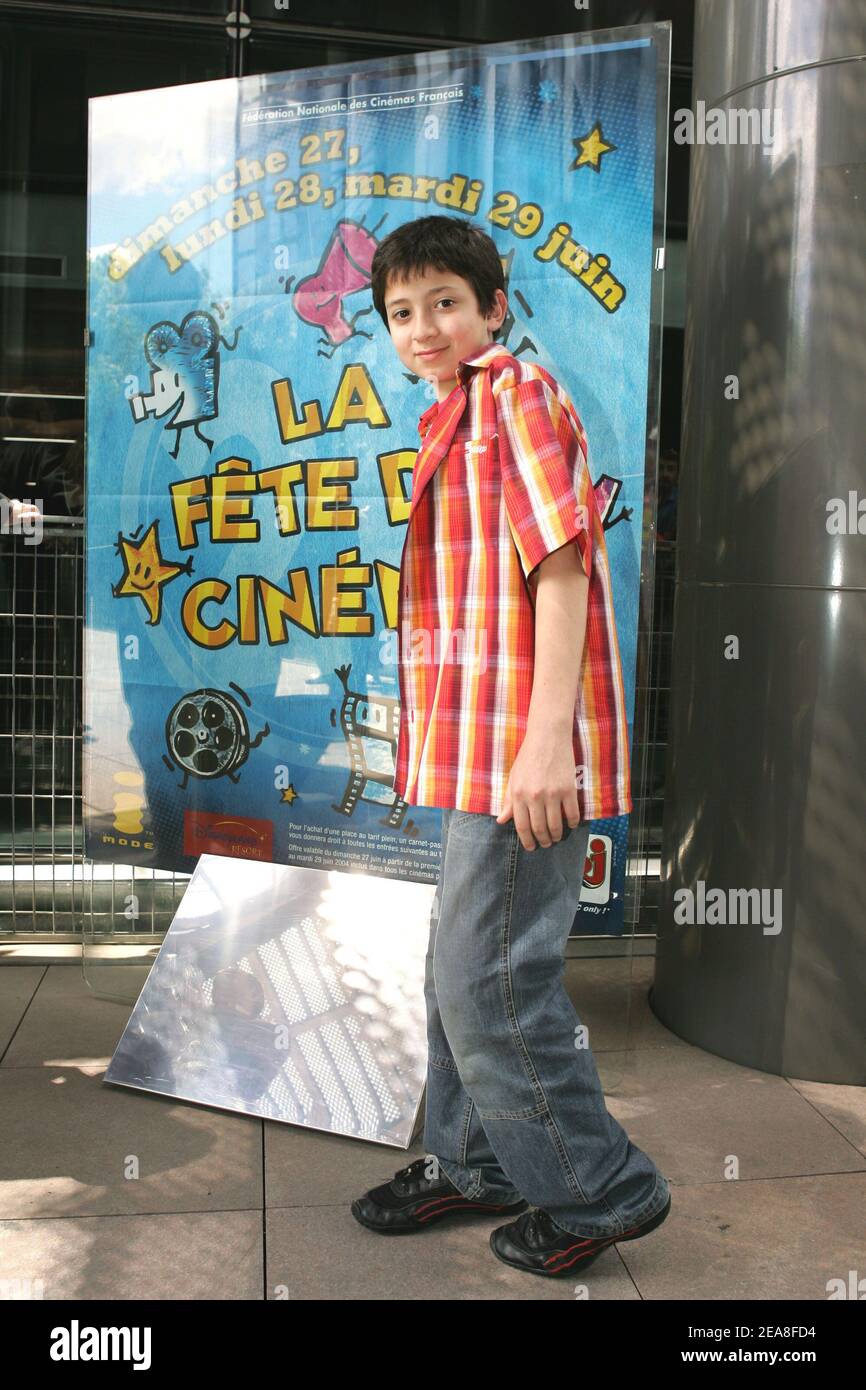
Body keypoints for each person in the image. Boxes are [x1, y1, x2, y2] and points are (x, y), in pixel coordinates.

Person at [351, 215, 670, 1278]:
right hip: (475, 749)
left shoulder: (515, 396)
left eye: (445, 302)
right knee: (461, 970)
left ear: (493, 307)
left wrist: (546, 750)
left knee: (491, 984)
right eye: (402, 311)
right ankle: (471, 1158)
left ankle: (599, 1188)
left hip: (521, 758)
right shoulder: (456, 413)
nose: (423, 325)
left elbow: (563, 567)